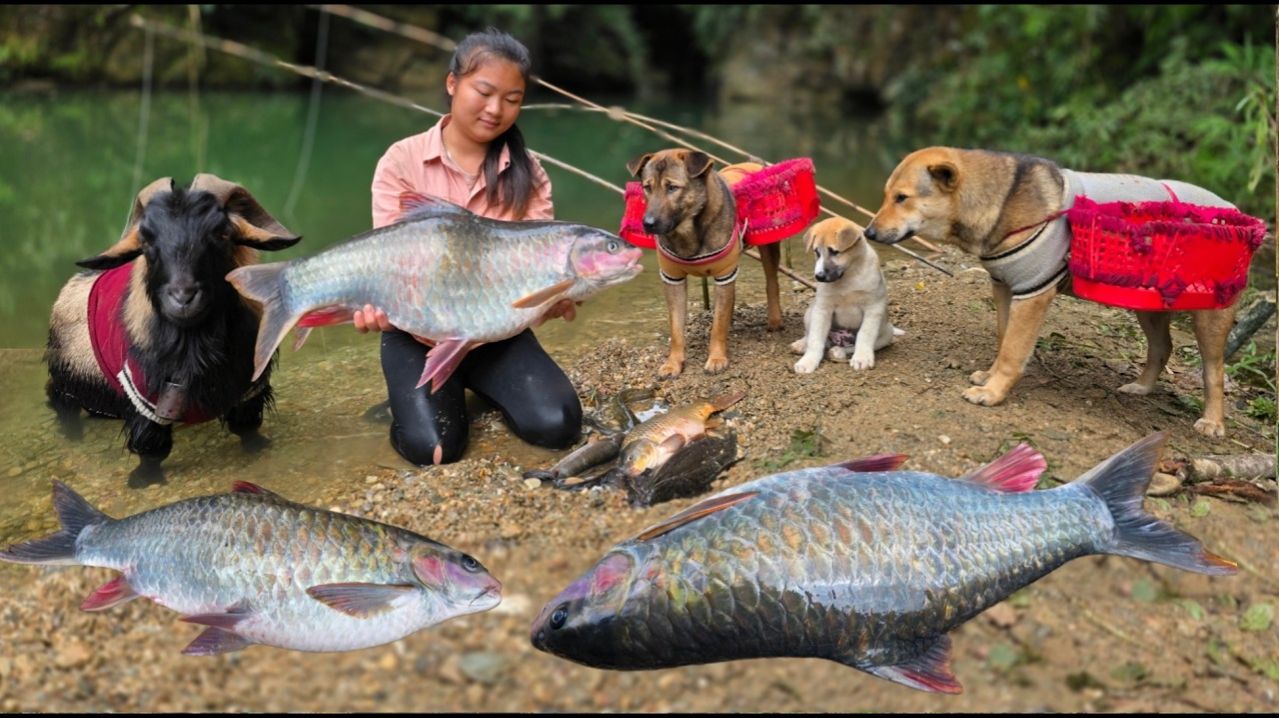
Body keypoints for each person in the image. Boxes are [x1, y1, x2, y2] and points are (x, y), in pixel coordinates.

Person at [356, 28, 582, 467]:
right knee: (434, 451)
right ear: (452, 84)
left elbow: (541, 270)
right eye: (484, 91)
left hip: (496, 333)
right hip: (416, 335)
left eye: (513, 99)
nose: (496, 109)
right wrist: (375, 302)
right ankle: (417, 399)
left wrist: (555, 297)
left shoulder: (529, 173)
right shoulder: (400, 161)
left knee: (558, 426)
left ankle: (473, 382)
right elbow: (387, 263)